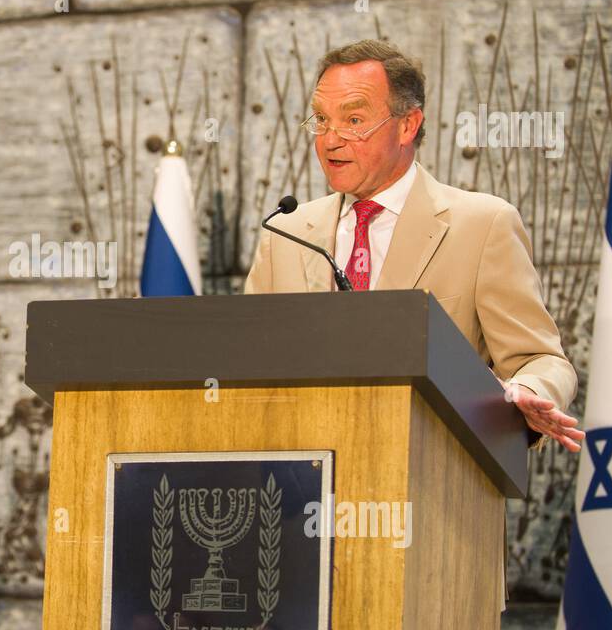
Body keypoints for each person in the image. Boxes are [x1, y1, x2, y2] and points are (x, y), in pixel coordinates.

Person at [245, 39, 584, 453]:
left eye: (353, 119)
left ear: (407, 125)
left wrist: (524, 392)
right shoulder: (288, 231)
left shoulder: (482, 225)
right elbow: (249, 362)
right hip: (301, 481)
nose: (330, 140)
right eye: (321, 119)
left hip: (432, 477)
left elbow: (542, 359)